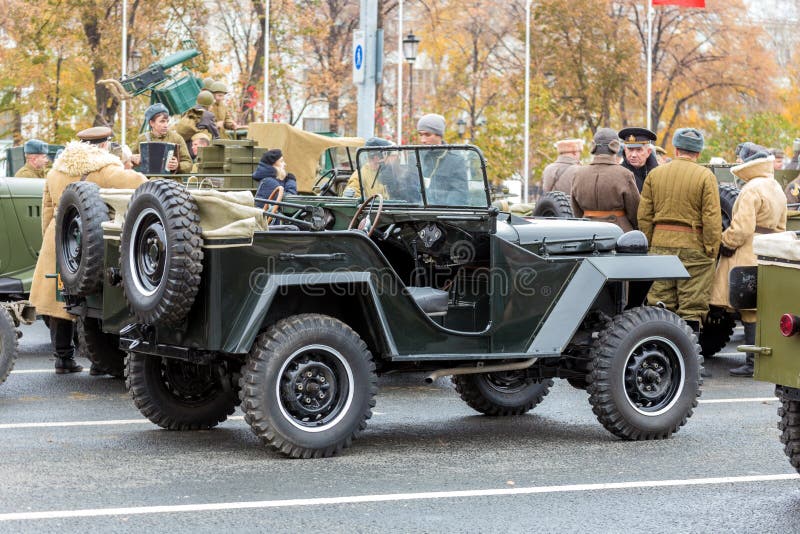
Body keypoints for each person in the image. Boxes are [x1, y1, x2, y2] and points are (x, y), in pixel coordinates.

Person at [28, 126, 147, 374]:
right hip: (93, 240)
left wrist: (53, 243)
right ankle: (97, 362)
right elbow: (140, 183)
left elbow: (47, 211)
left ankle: (63, 358)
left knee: (62, 300)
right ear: (104, 145)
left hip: (61, 238)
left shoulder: (55, 171)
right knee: (96, 299)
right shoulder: (104, 169)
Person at [710, 154, 787, 377]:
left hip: (748, 251)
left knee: (749, 308)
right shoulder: (776, 188)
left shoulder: (751, 189)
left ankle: (753, 362)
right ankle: (767, 359)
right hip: (770, 249)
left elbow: (742, 227)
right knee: (765, 307)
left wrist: (726, 242)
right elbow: (782, 226)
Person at [638, 128, 721, 334]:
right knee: (692, 306)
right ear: (698, 153)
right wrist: (711, 247)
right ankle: (688, 353)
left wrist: (649, 243)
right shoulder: (705, 176)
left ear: (675, 150)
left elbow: (644, 215)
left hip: (660, 244)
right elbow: (711, 216)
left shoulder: (655, 175)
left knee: (660, 300)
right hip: (694, 247)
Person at [570, 128, 639, 232]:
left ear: (593, 147)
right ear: (615, 147)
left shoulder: (578, 173)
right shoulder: (625, 174)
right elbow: (634, 210)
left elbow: (576, 210)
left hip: (586, 231)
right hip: (618, 231)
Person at [414, 113, 468, 205]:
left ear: (439, 135)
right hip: (416, 214)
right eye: (420, 134)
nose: (422, 140)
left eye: (427, 134)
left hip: (442, 216)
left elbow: (459, 195)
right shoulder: (416, 157)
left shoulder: (455, 161)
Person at [130, 103, 192, 174]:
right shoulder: (142, 139)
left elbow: (188, 163)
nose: (166, 125)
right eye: (162, 121)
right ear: (151, 123)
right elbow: (129, 162)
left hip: (170, 182)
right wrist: (133, 160)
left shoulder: (177, 138)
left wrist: (178, 165)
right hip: (148, 181)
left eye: (167, 121)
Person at [619, 127, 659, 192]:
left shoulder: (658, 174)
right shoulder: (618, 174)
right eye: (630, 149)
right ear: (625, 150)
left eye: (639, 150)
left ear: (648, 152)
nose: (633, 155)